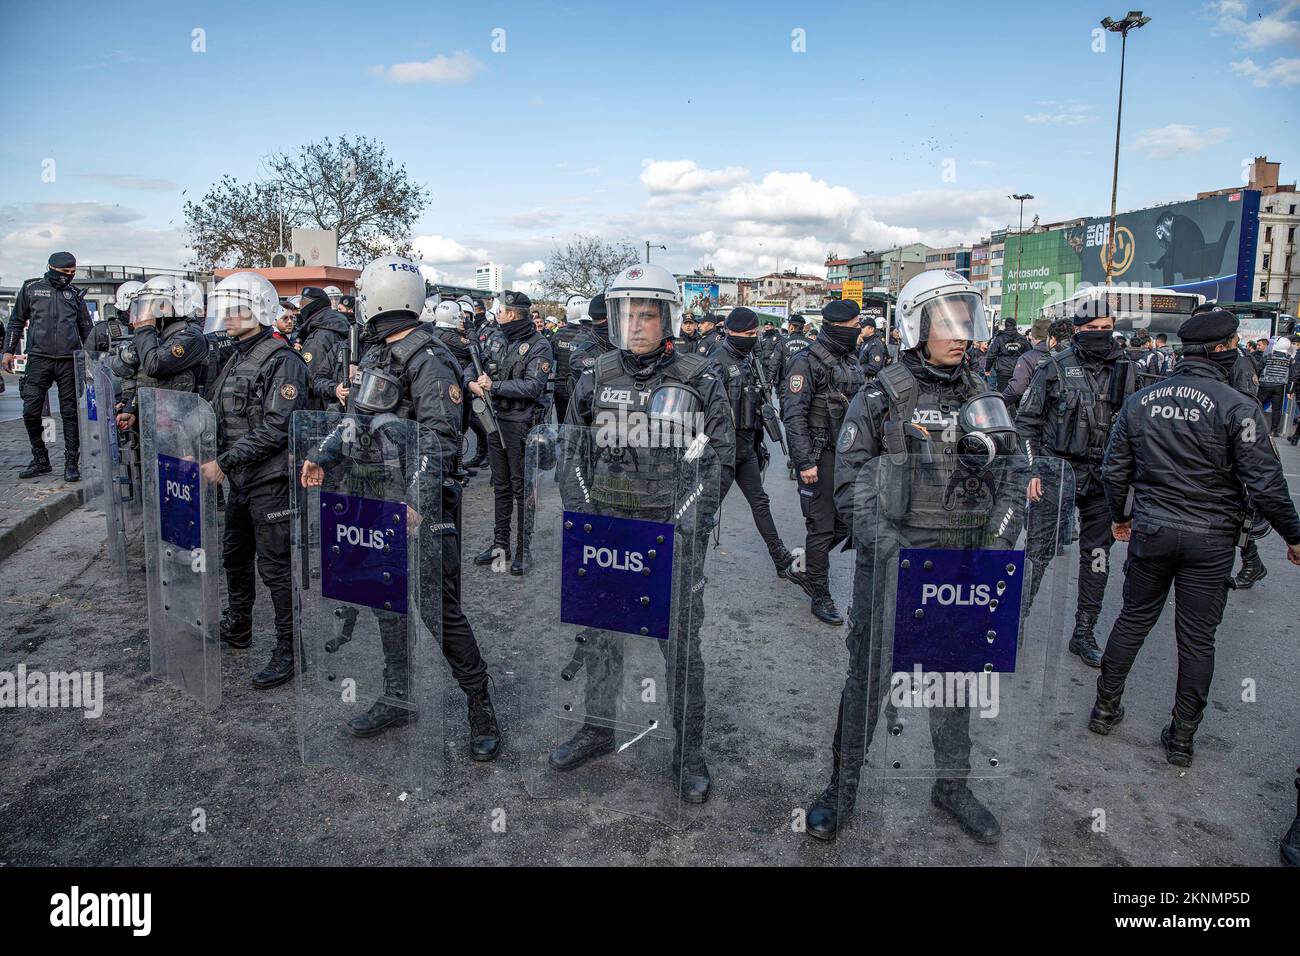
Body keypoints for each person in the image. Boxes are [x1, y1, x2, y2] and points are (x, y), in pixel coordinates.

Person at [805, 267, 1017, 842]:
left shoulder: (984, 395)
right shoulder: (881, 397)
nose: (959, 331)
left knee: (954, 680)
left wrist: (997, 544)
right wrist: (890, 552)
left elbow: (1016, 476)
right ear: (915, 324)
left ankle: (952, 786)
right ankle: (840, 788)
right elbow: (850, 485)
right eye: (946, 319)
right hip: (895, 565)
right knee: (868, 678)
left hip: (962, 567)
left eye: (965, 318)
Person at [302, 257, 501, 757]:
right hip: (374, 495)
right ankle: (397, 695)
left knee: (439, 609)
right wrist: (322, 453)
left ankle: (481, 708)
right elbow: (357, 419)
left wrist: (415, 501)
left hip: (420, 507)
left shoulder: (428, 356)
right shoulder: (376, 353)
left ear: (372, 297)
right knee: (384, 601)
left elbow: (439, 441)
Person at [551, 262, 734, 803]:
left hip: (671, 536)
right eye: (628, 314)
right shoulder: (595, 374)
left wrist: (684, 525)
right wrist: (587, 518)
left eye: (647, 315)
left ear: (668, 318)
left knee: (679, 647)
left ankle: (689, 754)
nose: (636, 325)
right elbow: (571, 451)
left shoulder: (700, 377)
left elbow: (719, 459)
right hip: (607, 532)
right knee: (602, 636)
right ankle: (597, 727)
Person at [1090, 308, 1300, 767]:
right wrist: (1293, 535)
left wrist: (1120, 516)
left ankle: (1104, 709)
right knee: (1198, 639)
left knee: (1132, 620)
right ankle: (1182, 737)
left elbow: (1114, 468)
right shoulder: (1236, 406)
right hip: (1210, 539)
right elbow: (1266, 482)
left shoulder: (1143, 401)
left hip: (1153, 529)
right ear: (1223, 349)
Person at [1015, 293, 1136, 666]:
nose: (1101, 335)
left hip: (1104, 477)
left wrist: (1131, 485)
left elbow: (1134, 429)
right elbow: (1026, 423)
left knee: (1097, 556)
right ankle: (1013, 626)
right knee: (1038, 552)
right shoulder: (1053, 367)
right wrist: (1033, 470)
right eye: (1093, 329)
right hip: (1057, 471)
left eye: (1107, 329)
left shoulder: (1125, 368)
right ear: (1079, 330)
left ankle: (1084, 631)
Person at [204, 272, 310, 688]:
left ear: (259, 309)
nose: (227, 317)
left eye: (235, 309)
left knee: (276, 568)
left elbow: (277, 427)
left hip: (271, 480)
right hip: (242, 480)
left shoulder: (281, 359)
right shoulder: (237, 354)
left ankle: (289, 649)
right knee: (234, 556)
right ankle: (239, 626)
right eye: (224, 309)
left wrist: (224, 463)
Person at [782, 299, 866, 625]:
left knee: (847, 522)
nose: (858, 332)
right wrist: (804, 462)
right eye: (853, 327)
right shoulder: (805, 362)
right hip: (819, 455)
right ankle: (819, 593)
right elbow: (794, 416)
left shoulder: (850, 361)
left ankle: (804, 566)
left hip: (848, 456)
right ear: (836, 328)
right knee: (821, 527)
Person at [707, 306, 796, 577]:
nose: (753, 337)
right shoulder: (717, 360)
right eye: (748, 333)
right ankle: (683, 555)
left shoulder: (750, 360)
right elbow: (708, 407)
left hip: (746, 445)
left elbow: (756, 399)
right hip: (723, 448)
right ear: (731, 332)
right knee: (705, 507)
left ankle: (779, 556)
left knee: (760, 501)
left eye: (755, 333)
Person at [469, 290, 553, 575]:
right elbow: (473, 364)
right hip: (495, 420)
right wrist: (472, 382)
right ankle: (500, 545)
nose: (497, 315)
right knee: (501, 486)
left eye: (500, 311)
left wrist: (493, 386)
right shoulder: (497, 338)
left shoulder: (538, 345)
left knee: (521, 489)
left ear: (513, 314)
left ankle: (522, 550)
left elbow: (532, 387)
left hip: (521, 425)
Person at [3, 252, 93, 481]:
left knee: (69, 413)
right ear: (52, 269)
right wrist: (8, 351)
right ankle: (40, 459)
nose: (69, 277)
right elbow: (15, 321)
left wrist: (92, 359)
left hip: (68, 361)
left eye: (73, 273)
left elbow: (86, 328)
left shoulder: (75, 294)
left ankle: (72, 463)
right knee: (31, 411)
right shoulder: (31, 288)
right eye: (65, 273)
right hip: (38, 359)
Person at [294, 287, 351, 411]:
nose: (300, 308)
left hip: (319, 408)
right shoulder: (334, 324)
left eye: (303, 303)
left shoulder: (320, 336)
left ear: (313, 305)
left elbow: (310, 378)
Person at [1001, 317, 1066, 409]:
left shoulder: (1028, 358)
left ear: (1034, 337)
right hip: (1064, 410)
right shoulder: (1066, 354)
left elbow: (1017, 388)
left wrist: (1000, 403)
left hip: (1035, 411)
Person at [549, 295, 589, 427]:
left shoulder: (558, 334)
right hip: (583, 388)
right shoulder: (589, 334)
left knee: (562, 424)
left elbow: (553, 361)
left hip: (561, 386)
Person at [89, 280, 142, 353]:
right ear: (125, 304)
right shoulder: (102, 331)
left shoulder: (154, 328)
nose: (144, 308)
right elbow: (87, 359)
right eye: (137, 304)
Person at [1256, 337, 1294, 437]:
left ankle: (1254, 425)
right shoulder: (1289, 359)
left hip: (1265, 384)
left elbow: (1259, 368)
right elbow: (1291, 375)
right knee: (1276, 409)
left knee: (1257, 404)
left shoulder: (1268, 356)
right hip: (1279, 386)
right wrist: (1290, 389)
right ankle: (1273, 430)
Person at [984, 317, 1029, 391]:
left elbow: (991, 355)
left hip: (1003, 370)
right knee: (1017, 393)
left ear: (1005, 326)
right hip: (1018, 370)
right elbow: (1028, 355)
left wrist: (987, 369)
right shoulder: (1022, 338)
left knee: (1003, 394)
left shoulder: (999, 338)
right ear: (1015, 325)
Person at [856, 316, 888, 382]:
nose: (860, 329)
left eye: (863, 327)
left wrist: (857, 368)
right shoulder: (865, 341)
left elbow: (874, 368)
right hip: (862, 379)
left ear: (871, 329)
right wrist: (858, 345)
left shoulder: (875, 344)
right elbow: (859, 358)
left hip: (870, 382)